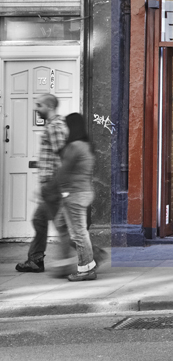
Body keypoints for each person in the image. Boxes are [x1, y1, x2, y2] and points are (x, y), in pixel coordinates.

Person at [15, 94, 68, 274]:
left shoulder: (55, 128)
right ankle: (35, 259)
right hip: (50, 185)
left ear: (49, 107)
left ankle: (91, 255)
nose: (36, 108)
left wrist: (53, 185)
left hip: (53, 184)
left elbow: (62, 157)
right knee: (41, 220)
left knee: (62, 225)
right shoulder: (54, 126)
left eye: (39, 105)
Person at [49, 113, 97, 281]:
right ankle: (86, 257)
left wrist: (58, 190)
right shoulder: (86, 145)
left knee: (78, 233)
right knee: (61, 223)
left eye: (66, 126)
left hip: (74, 194)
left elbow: (63, 171)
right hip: (83, 191)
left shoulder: (75, 146)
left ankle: (86, 268)